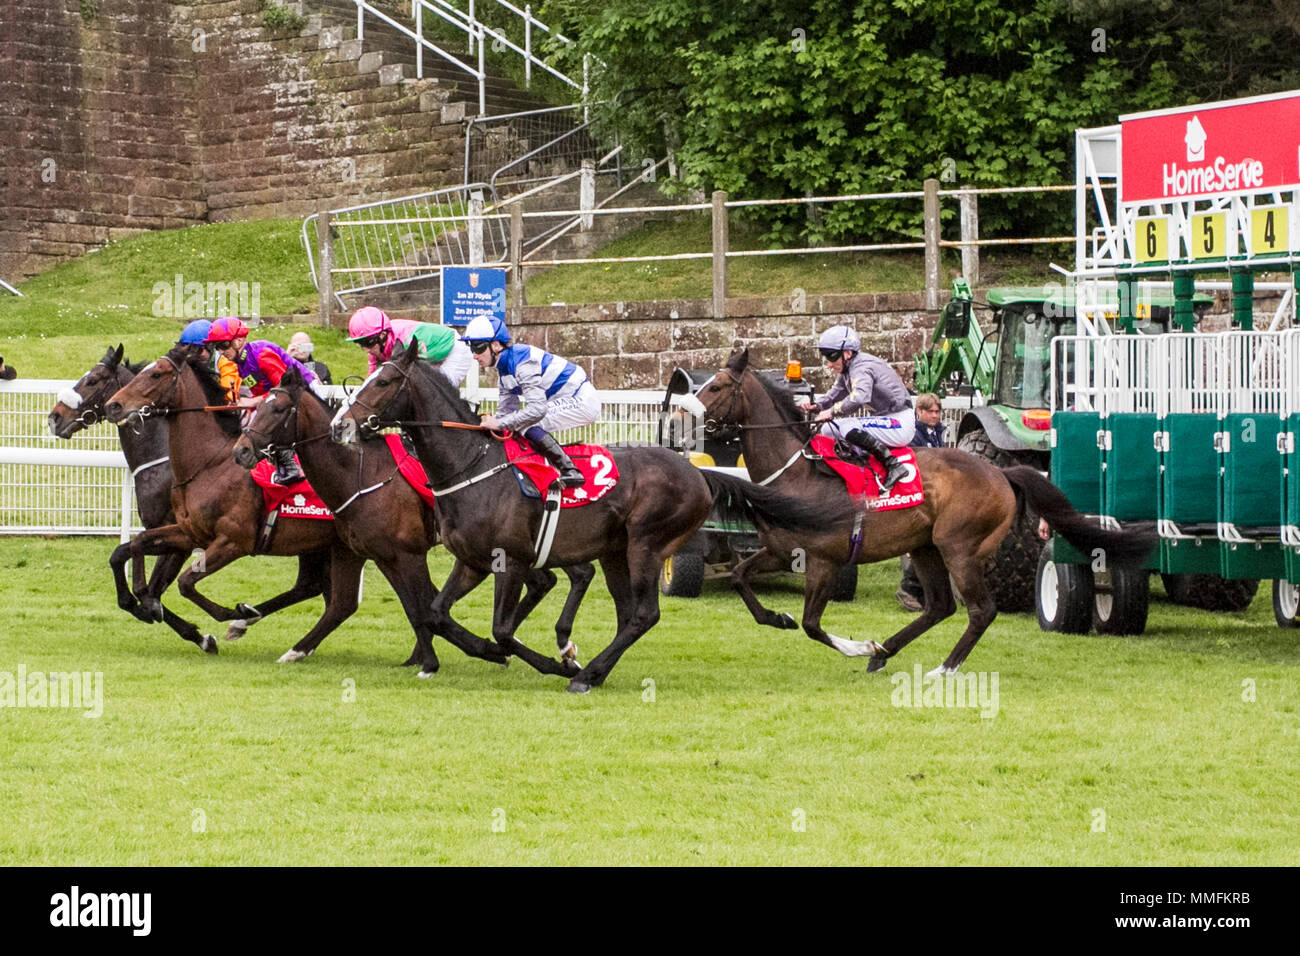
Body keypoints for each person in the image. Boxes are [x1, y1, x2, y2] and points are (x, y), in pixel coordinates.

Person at [459, 314, 600, 488]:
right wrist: (483, 425)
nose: (474, 355)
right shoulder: (503, 373)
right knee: (517, 423)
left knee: (527, 424)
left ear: (496, 345)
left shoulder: (522, 361)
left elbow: (537, 409)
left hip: (581, 399)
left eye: (478, 347)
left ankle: (571, 471)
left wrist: (499, 422)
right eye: (471, 348)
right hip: (563, 398)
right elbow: (505, 414)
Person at [205, 317, 323, 484]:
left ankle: (291, 467)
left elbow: (283, 393)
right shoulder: (240, 363)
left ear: (239, 340)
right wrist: (247, 402)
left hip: (306, 390)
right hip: (279, 399)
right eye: (216, 347)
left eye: (223, 345)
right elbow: (267, 395)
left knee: (267, 423)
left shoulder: (262, 355)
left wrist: (251, 402)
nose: (221, 351)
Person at [798, 325, 915, 493]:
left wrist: (831, 412)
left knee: (847, 426)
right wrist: (816, 406)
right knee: (827, 429)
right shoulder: (847, 369)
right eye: (826, 358)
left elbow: (860, 397)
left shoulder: (861, 367)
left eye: (832, 357)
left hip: (899, 422)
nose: (829, 364)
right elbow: (834, 395)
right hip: (885, 420)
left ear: (848, 353)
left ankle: (893, 465)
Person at [896, 393, 945, 612]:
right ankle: (908, 589)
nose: (935, 416)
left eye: (937, 411)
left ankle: (925, 594)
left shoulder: (937, 432)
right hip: (916, 492)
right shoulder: (912, 435)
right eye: (931, 412)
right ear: (920, 411)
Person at [346, 306, 473, 387]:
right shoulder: (377, 345)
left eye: (368, 343)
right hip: (431, 356)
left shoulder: (405, 341)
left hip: (454, 350)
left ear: (383, 335)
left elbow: (418, 372)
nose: (367, 349)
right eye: (361, 344)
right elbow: (371, 379)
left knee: (437, 389)